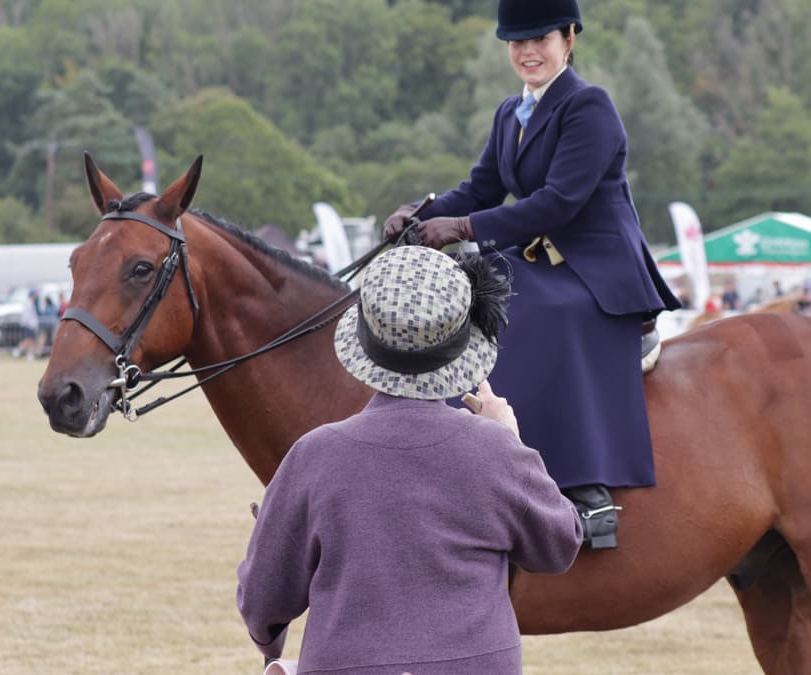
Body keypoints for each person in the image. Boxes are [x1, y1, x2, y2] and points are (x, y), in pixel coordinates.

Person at [382, 0, 680, 549]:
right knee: (467, 296)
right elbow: (480, 189)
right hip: (541, 256)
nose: (526, 52)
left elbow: (558, 203)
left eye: (538, 39)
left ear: (569, 38)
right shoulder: (509, 113)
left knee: (528, 314)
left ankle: (586, 494)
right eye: (516, 42)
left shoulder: (589, 107)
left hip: (596, 270)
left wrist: (462, 227)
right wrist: (419, 214)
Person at [237, 246, 582, 674]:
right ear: (459, 346)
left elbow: (263, 599)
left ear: (366, 345)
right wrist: (510, 439)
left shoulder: (314, 454)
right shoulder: (494, 449)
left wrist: (269, 641)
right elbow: (560, 544)